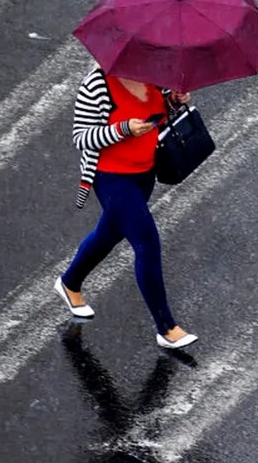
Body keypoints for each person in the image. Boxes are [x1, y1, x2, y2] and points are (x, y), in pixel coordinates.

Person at [54, 66, 198, 350]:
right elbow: (81, 138)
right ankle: (166, 327)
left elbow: (157, 114)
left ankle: (69, 283)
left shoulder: (154, 76)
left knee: (108, 234)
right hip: (111, 179)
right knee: (147, 244)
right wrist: (123, 129)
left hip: (144, 175)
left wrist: (173, 101)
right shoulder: (96, 85)